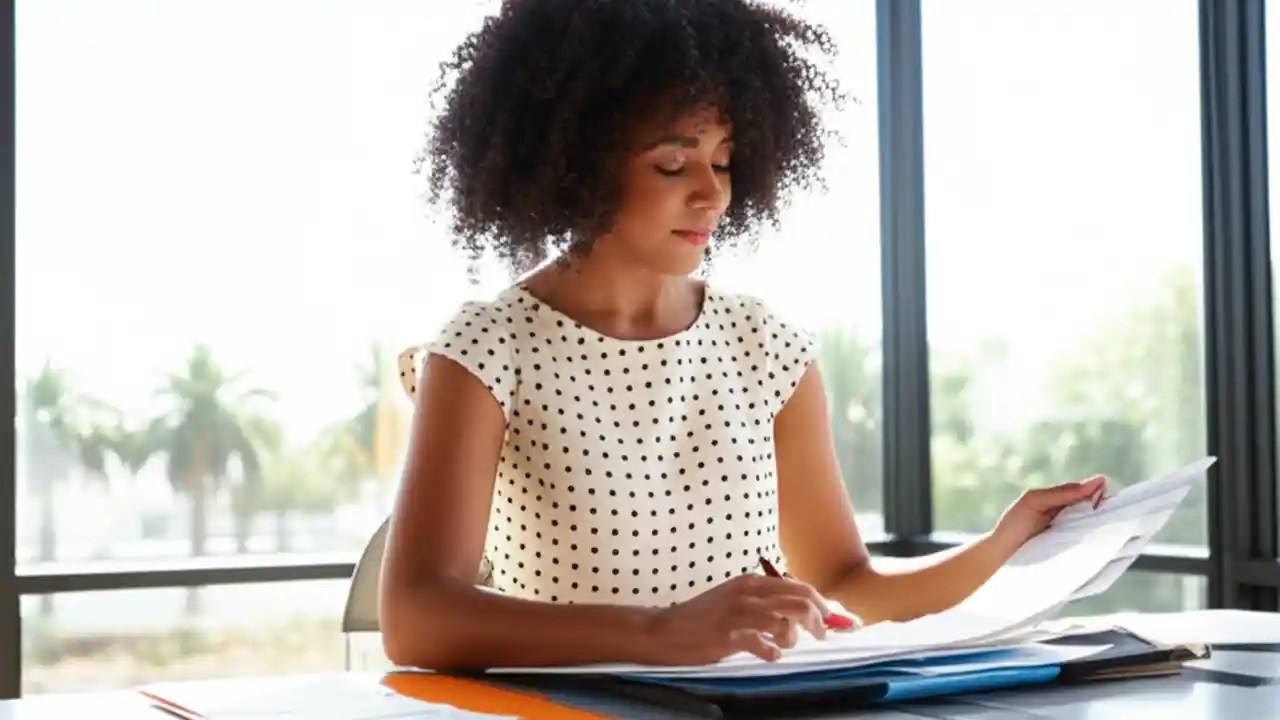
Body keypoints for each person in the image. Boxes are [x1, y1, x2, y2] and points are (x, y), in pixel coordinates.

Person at [379, 0, 1106, 671]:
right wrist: (660, 632)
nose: (713, 191)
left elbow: (847, 584)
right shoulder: (485, 352)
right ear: (575, 163)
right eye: (673, 163)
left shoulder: (767, 348)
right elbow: (416, 617)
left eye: (723, 160)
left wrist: (1003, 542)